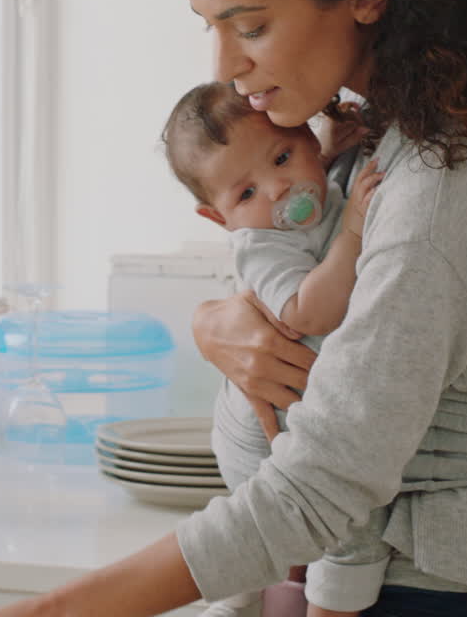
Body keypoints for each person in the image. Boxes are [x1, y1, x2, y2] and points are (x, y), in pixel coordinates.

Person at [0, 0, 467, 615]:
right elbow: (318, 290)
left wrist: (51, 611)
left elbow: (319, 487)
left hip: (441, 587)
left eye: (250, 26)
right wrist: (219, 318)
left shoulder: (440, 187)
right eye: (212, 29)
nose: (225, 67)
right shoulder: (410, 133)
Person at [161, 81, 384, 617]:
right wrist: (353, 231)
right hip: (259, 438)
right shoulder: (260, 244)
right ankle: (236, 604)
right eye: (245, 194)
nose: (278, 191)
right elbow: (310, 311)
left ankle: (243, 598)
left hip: (294, 413)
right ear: (219, 218)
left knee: (283, 543)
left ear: (308, 140)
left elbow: (316, 189)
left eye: (282, 157)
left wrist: (335, 147)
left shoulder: (321, 187)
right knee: (329, 534)